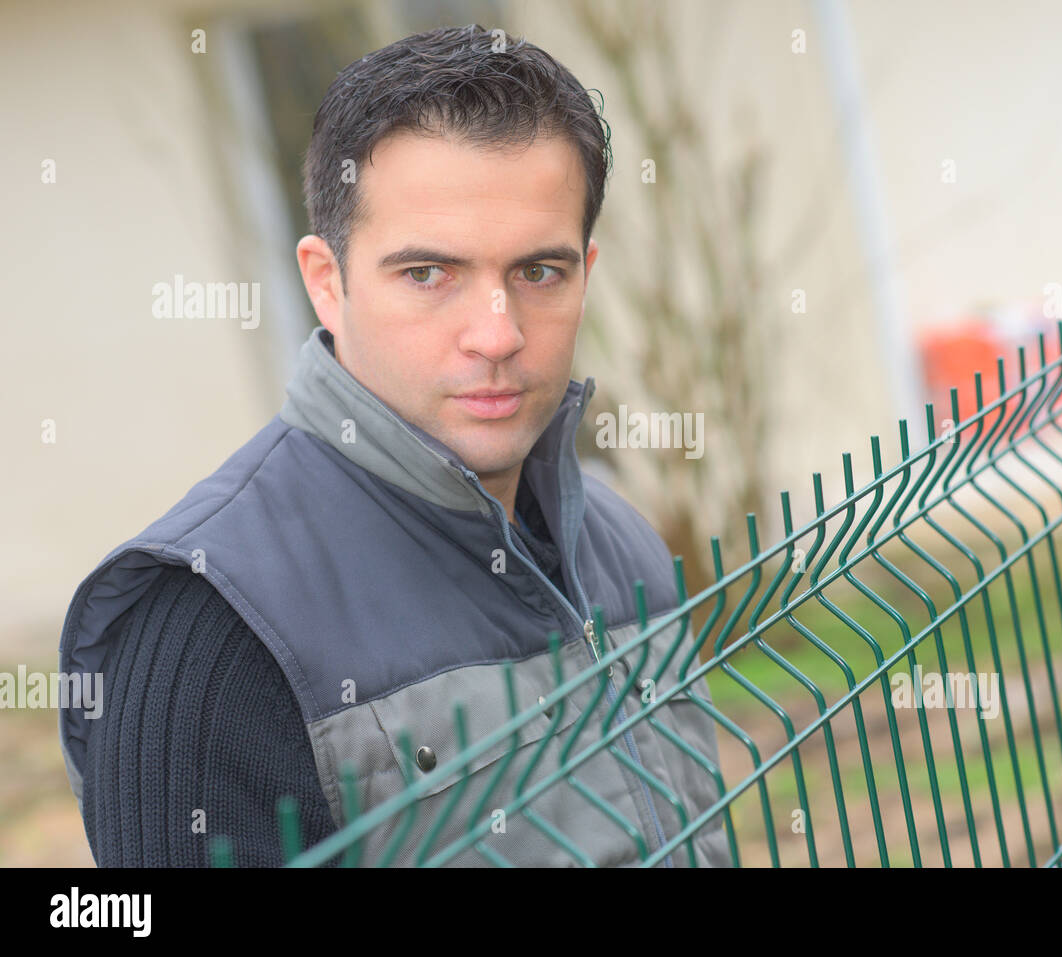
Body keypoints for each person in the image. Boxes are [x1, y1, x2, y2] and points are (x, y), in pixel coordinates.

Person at [58, 24, 729, 868]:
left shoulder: (618, 539)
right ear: (327, 284)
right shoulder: (207, 628)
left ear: (586, 275)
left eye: (539, 273)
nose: (497, 334)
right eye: (427, 274)